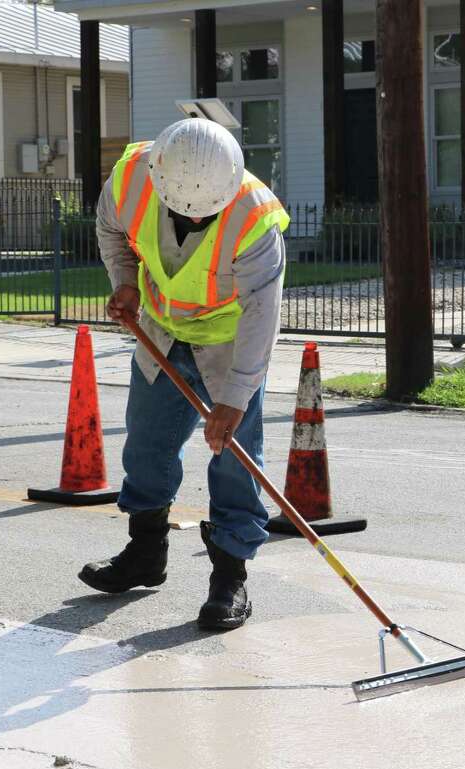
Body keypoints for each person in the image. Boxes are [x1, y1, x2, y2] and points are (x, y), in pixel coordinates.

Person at [77, 118, 289, 631]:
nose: (193, 220)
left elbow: (262, 314)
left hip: (229, 342)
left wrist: (234, 398)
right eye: (182, 212)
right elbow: (111, 229)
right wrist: (125, 281)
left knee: (236, 463)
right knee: (146, 449)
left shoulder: (255, 218)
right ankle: (145, 554)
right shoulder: (131, 179)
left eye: (205, 215)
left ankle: (229, 579)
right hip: (162, 331)